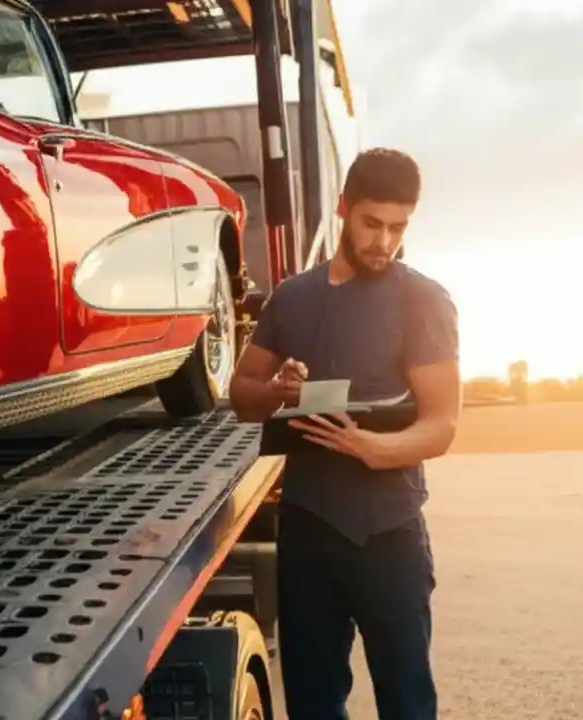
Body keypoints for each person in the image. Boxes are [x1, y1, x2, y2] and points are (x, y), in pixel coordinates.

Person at [228, 148, 461, 719]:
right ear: (342, 209)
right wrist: (278, 390)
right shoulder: (292, 298)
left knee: (406, 703)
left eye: (398, 227)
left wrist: (372, 448)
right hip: (308, 531)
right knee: (311, 704)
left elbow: (441, 424)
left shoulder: (422, 300)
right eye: (372, 224)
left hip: (391, 533)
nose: (385, 241)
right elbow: (240, 395)